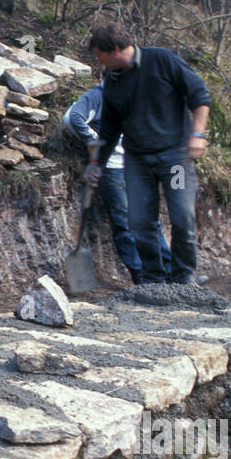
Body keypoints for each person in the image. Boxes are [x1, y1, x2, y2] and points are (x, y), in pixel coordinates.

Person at [85, 24, 212, 285]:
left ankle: (183, 278)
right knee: (140, 222)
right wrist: (96, 163)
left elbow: (200, 96)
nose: (98, 60)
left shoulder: (162, 60)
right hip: (138, 162)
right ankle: (153, 278)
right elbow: (108, 129)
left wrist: (197, 134)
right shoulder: (111, 80)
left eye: (99, 54)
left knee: (181, 217)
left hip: (174, 158)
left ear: (117, 49)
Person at [63, 82, 172, 284]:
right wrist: (94, 143)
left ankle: (170, 272)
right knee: (125, 223)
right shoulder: (97, 96)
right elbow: (71, 117)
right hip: (113, 168)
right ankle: (142, 277)